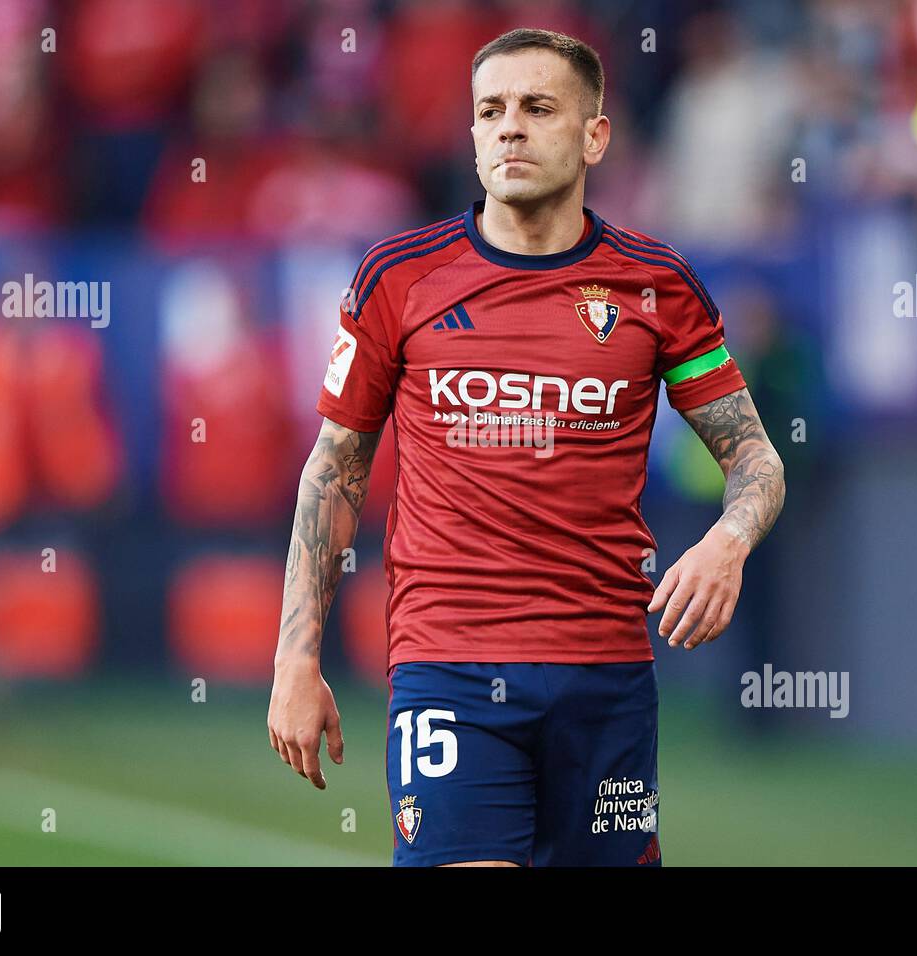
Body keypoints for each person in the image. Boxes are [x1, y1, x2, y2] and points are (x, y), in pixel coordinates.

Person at [268, 28, 785, 867]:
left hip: (606, 676)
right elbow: (335, 467)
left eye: (538, 108)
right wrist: (297, 656)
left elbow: (756, 459)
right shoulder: (398, 278)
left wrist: (728, 542)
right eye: (490, 111)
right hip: (450, 667)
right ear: (472, 136)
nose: (509, 127)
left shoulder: (656, 284)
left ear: (594, 136)